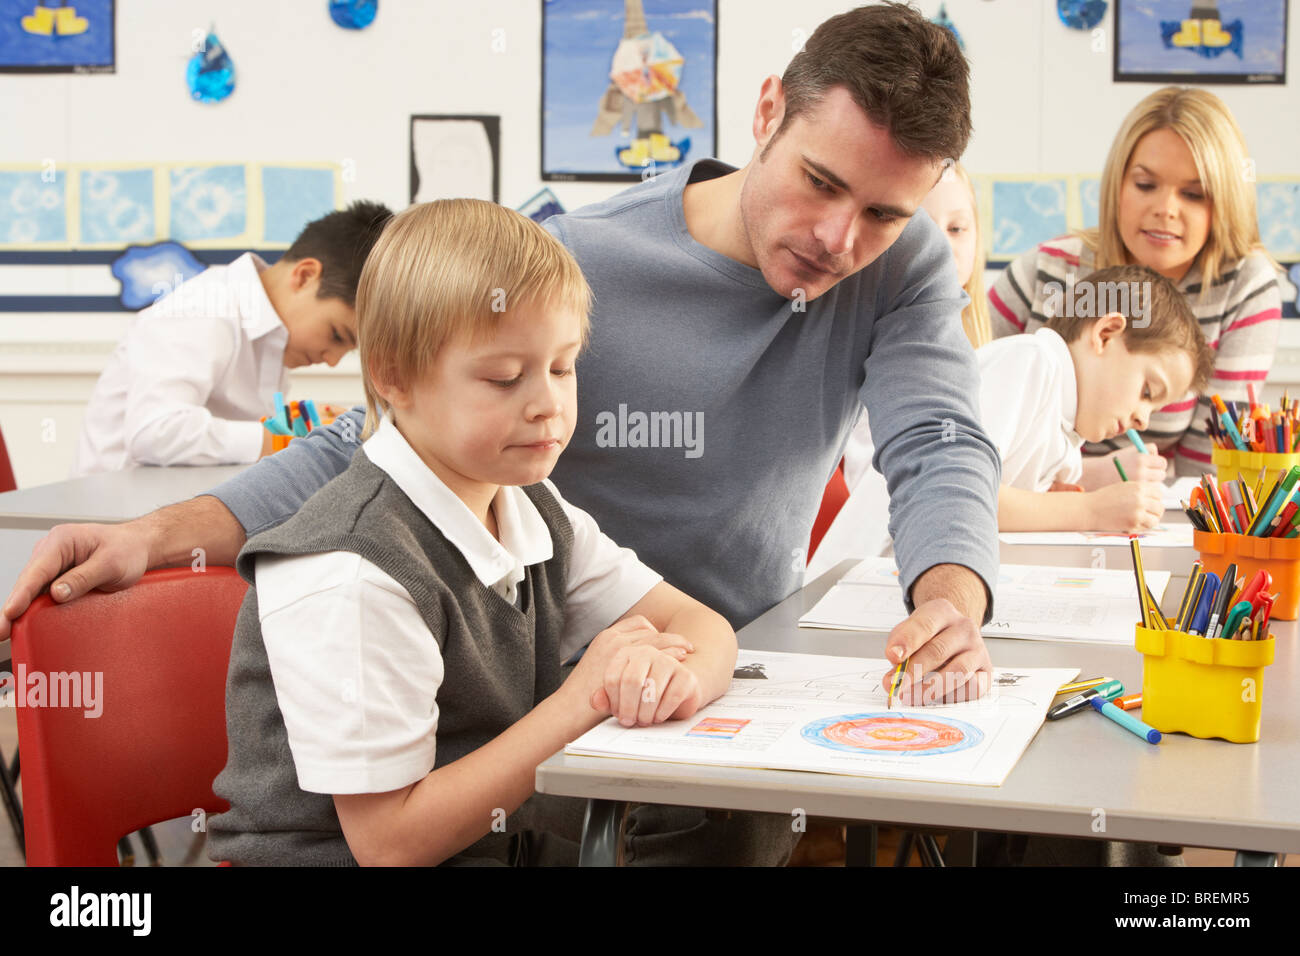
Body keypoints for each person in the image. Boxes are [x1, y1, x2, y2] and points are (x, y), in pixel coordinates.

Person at [4, 3, 999, 864]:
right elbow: (369, 442)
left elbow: (942, 438)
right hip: (536, 723)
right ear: (767, 110)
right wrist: (158, 533)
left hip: (709, 690)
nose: (840, 241)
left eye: (881, 212)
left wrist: (948, 593)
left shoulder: (899, 264)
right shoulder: (572, 267)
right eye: (820, 183)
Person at [207, 199, 737, 866]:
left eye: (563, 367)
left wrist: (669, 677)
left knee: (727, 820)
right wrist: (583, 700)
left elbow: (700, 623)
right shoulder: (351, 568)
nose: (547, 402)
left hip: (493, 847)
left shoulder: (532, 506)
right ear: (394, 377)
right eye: (504, 377)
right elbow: (390, 845)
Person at [987, 86, 1284, 484]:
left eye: (1193, 194)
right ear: (1118, 184)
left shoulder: (1244, 288)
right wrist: (1094, 486)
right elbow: (957, 400)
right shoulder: (1047, 271)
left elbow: (1207, 475)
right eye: (1146, 185)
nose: (1165, 209)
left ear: (1225, 200)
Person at [851, 265, 1213, 534]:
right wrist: (1087, 509)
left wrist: (1061, 499)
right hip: (868, 578)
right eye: (1148, 392)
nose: (1144, 420)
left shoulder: (1069, 426)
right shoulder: (1031, 362)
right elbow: (956, 494)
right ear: (1105, 334)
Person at [71, 201, 393, 476]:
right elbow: (155, 432)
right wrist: (284, 437)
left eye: (347, 351)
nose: (332, 360)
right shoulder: (205, 309)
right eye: (337, 335)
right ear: (305, 276)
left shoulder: (272, 339)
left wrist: (302, 424)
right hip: (109, 523)